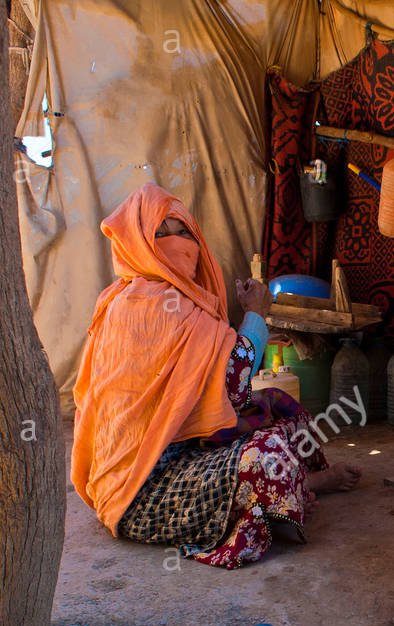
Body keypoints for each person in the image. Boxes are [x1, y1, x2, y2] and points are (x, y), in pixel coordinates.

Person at [71, 182, 360, 568]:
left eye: (183, 231)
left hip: (184, 451)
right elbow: (233, 389)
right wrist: (256, 315)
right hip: (140, 490)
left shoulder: (173, 300)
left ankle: (299, 487)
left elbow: (212, 395)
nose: (177, 242)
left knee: (280, 411)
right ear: (137, 242)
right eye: (162, 234)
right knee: (265, 457)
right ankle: (295, 492)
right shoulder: (145, 304)